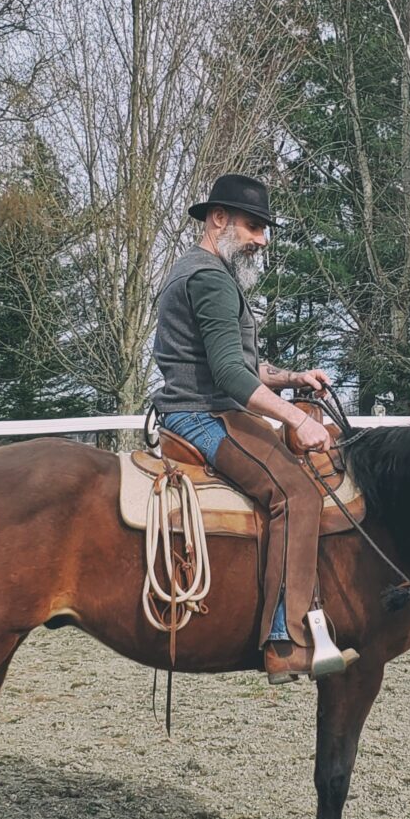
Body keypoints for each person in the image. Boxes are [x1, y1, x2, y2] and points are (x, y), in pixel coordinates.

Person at [152, 173, 345, 683]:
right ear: (219, 219)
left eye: (264, 229)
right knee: (298, 494)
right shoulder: (210, 278)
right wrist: (298, 419)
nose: (263, 239)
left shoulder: (197, 272)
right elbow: (230, 377)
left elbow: (241, 366)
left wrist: (291, 378)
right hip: (201, 416)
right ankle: (284, 639)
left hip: (201, 406)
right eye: (254, 226)